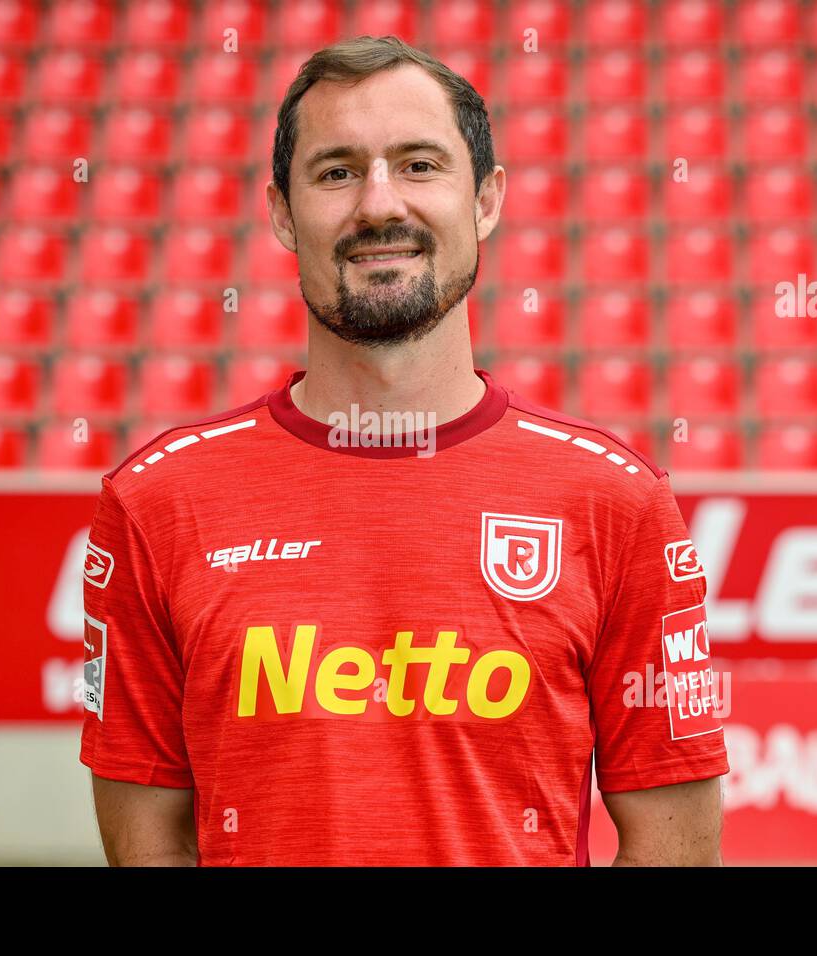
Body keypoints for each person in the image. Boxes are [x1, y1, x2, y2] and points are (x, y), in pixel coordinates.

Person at [81, 36, 728, 866]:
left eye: (419, 165)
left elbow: (677, 849)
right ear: (282, 213)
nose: (379, 205)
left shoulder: (616, 504)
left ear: (486, 199)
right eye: (337, 172)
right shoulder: (157, 504)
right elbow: (148, 847)